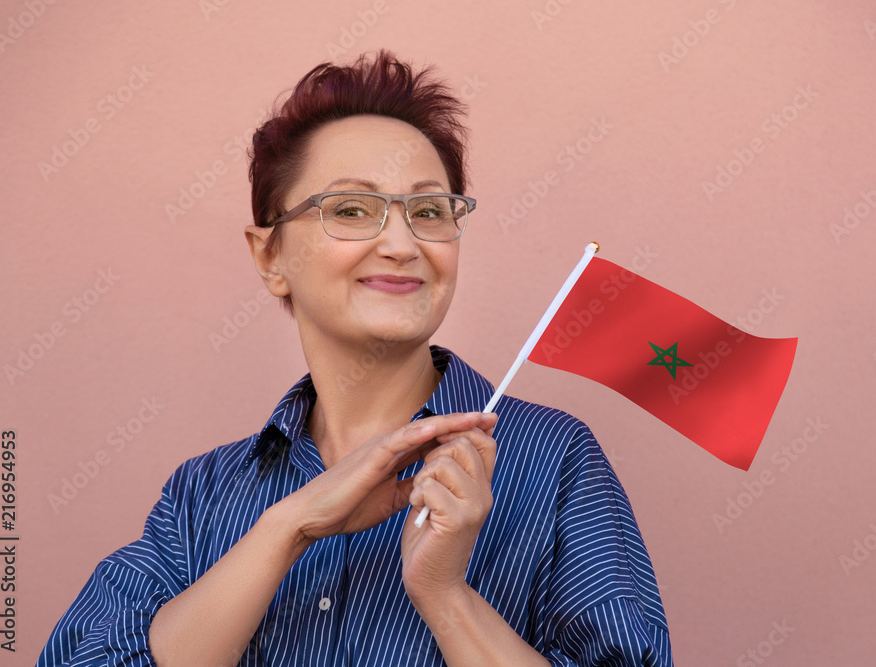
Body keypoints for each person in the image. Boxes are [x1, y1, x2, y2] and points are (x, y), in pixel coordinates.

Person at [37, 50, 673, 666]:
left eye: (428, 211)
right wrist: (288, 529)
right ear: (270, 258)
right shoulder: (203, 495)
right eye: (350, 210)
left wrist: (446, 598)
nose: (401, 243)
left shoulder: (553, 460)